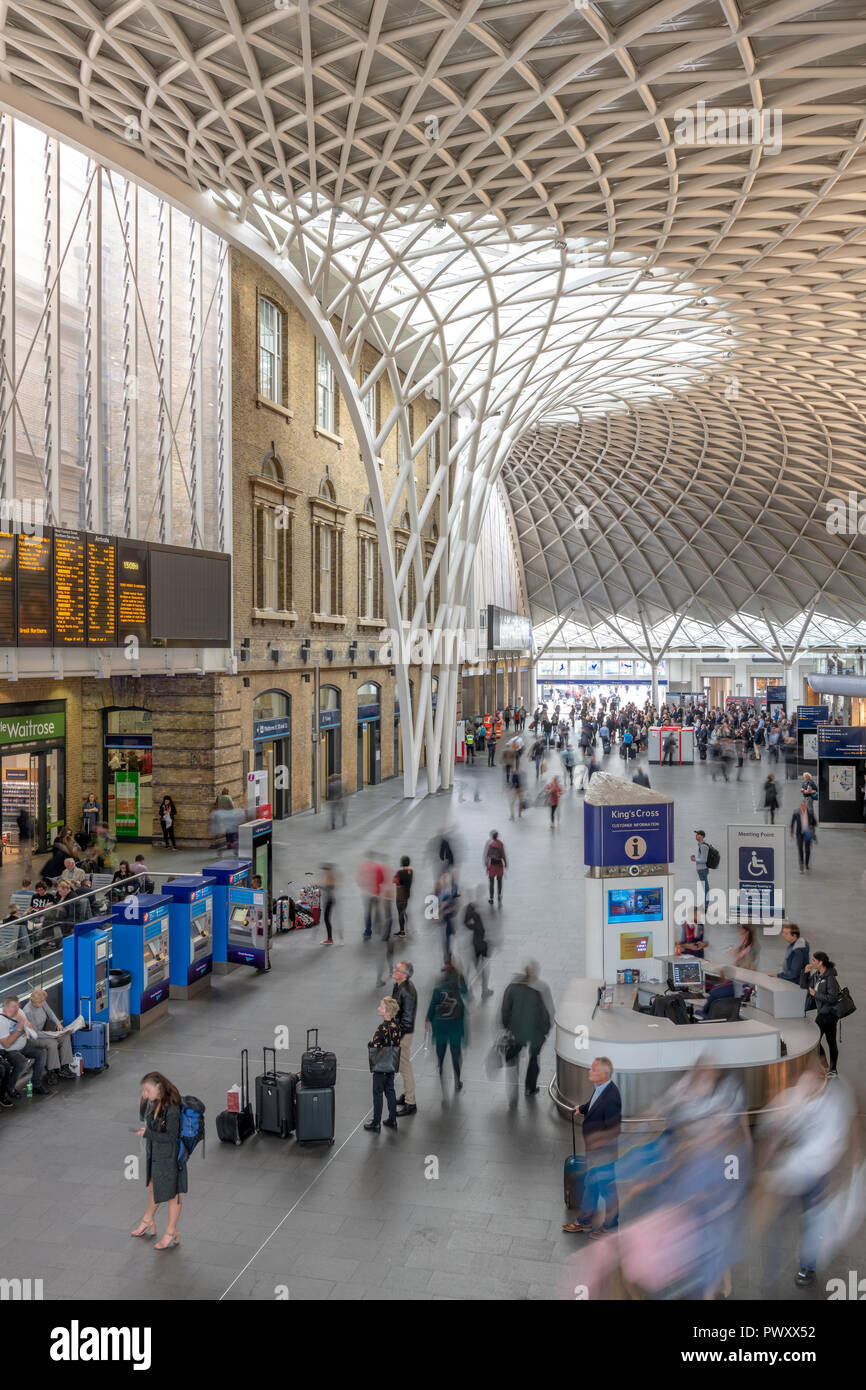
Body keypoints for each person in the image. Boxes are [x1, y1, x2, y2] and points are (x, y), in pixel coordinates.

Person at [562, 1057, 621, 1237]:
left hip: (602, 1153)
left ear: (603, 1074)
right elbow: (595, 1105)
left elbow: (613, 1130)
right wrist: (583, 1108)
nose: (589, 1071)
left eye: (593, 1069)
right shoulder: (600, 1090)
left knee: (607, 1190)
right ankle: (584, 1220)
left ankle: (611, 1228)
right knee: (591, 1185)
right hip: (595, 1152)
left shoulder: (611, 1098)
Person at [132, 1072, 187, 1248]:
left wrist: (148, 1133)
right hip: (155, 1154)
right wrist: (143, 1100)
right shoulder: (154, 1102)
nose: (145, 1094)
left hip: (169, 1157)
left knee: (173, 1194)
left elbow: (171, 1136)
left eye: (147, 1090)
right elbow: (145, 1119)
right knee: (153, 1186)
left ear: (159, 1087)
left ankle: (171, 1231)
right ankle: (148, 1220)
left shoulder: (172, 1108)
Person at [500, 960, 553, 1104]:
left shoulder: (512, 988)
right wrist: (546, 1030)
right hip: (535, 1033)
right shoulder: (541, 989)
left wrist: (506, 1026)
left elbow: (505, 1010)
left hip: (516, 1031)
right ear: (535, 973)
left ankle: (512, 1088)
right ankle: (530, 1088)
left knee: (512, 1057)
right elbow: (547, 1013)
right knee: (534, 1058)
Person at [425, 960, 469, 1094]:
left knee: (441, 1050)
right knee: (456, 1052)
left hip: (440, 1025)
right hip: (455, 1025)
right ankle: (457, 1080)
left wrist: (428, 1019)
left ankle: (441, 1070)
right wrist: (462, 978)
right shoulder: (457, 986)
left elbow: (433, 1005)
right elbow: (466, 992)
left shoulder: (438, 989)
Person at [0, 996, 55, 1097]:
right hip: (9, 1050)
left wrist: (29, 1028)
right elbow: (6, 1044)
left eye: (18, 1005)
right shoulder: (1, 1021)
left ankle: (36, 1084)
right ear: (6, 1007)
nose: (17, 1008)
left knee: (41, 1053)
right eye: (14, 1006)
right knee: (22, 1063)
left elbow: (28, 1026)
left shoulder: (19, 1012)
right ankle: (10, 1087)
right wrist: (19, 1029)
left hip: (24, 1044)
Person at [363, 996, 401, 1134]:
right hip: (391, 1065)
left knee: (377, 1093)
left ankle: (376, 1122)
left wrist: (369, 1043)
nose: (379, 1008)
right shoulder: (396, 1026)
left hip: (380, 1067)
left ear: (387, 1012)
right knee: (390, 1091)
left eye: (381, 1007)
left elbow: (374, 1044)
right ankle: (393, 1118)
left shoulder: (382, 1028)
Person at [23, 988, 77, 1080]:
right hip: (34, 1038)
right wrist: (52, 1035)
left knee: (65, 1037)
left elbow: (50, 1013)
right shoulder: (28, 1012)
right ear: (35, 1002)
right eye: (41, 1002)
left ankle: (65, 1066)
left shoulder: (42, 1002)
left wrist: (58, 1024)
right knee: (52, 1043)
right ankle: (52, 1070)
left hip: (45, 1032)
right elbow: (35, 1033)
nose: (44, 1003)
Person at [391, 961, 418, 1117]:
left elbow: (407, 1019)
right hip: (400, 1031)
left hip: (403, 1034)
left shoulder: (406, 991)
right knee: (402, 1066)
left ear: (405, 974)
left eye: (398, 969)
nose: (394, 970)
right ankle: (406, 1094)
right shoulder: (398, 985)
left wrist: (396, 1036)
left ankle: (410, 1101)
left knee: (405, 1067)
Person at [808, 951, 841, 1074]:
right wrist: (805, 972)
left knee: (817, 1042)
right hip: (822, 1013)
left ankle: (829, 1069)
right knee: (828, 1042)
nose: (812, 962)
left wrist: (815, 994)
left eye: (814, 961)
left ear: (820, 962)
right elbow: (804, 985)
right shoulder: (818, 975)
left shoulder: (830, 978)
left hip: (828, 1015)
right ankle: (830, 1069)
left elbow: (833, 998)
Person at [464, 895, 493, 999]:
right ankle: (478, 989)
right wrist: (476, 928)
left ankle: (482, 989)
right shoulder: (473, 907)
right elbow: (466, 922)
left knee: (479, 967)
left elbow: (466, 922)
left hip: (481, 943)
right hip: (479, 943)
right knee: (478, 968)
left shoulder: (473, 907)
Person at [357, 850, 386, 940]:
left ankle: (368, 931)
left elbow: (358, 879)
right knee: (377, 909)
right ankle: (379, 926)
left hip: (366, 893)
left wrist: (363, 886)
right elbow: (382, 880)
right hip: (376, 893)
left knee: (368, 912)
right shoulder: (378, 867)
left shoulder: (362, 866)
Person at [790, 798, 816, 872]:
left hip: (807, 833)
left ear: (806, 806)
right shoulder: (796, 813)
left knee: (807, 850)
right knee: (800, 849)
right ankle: (801, 863)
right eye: (801, 806)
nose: (803, 807)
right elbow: (792, 823)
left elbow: (814, 823)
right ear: (800, 806)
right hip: (799, 834)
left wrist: (812, 830)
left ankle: (806, 864)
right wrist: (791, 832)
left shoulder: (810, 813)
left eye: (804, 806)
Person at [483, 829, 507, 906]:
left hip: (492, 867)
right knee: (499, 882)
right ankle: (499, 896)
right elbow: (503, 855)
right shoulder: (500, 844)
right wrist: (505, 863)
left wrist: (487, 866)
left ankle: (491, 898)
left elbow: (486, 856)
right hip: (499, 866)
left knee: (491, 883)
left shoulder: (489, 844)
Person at [690, 830, 710, 916]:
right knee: (704, 888)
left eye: (697, 834)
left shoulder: (703, 846)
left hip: (703, 870)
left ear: (702, 836)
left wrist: (695, 860)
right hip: (701, 870)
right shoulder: (701, 845)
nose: (696, 836)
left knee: (705, 889)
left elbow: (704, 860)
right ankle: (703, 906)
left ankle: (704, 908)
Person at [319, 863, 339, 944]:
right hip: (329, 900)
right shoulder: (330, 876)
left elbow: (329, 888)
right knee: (327, 919)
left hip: (329, 900)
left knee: (326, 919)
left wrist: (320, 886)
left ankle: (330, 939)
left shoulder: (330, 877)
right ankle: (330, 938)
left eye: (325, 870)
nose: (324, 871)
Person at [393, 855, 413, 937]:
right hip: (407, 895)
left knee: (400, 913)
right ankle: (405, 928)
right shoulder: (411, 871)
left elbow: (394, 881)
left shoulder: (399, 872)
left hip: (400, 895)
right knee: (403, 911)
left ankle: (402, 932)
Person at [16, 806, 34, 874]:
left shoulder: (19, 819)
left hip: (22, 837)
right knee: (28, 851)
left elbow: (21, 826)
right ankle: (29, 864)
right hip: (28, 837)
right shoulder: (28, 819)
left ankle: (23, 860)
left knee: (22, 850)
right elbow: (30, 827)